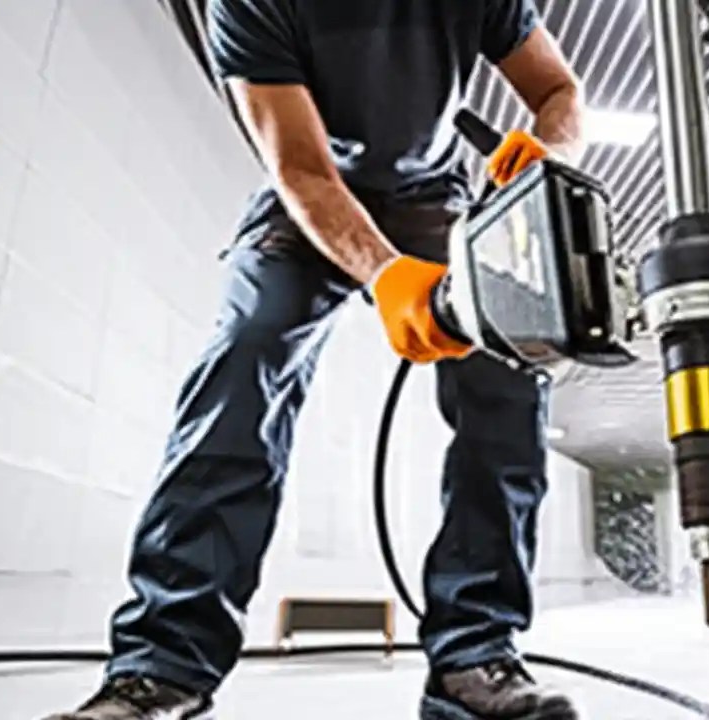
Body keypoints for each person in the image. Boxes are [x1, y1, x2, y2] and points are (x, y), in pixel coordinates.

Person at [47, 0, 587, 718]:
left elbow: (560, 92)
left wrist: (549, 151)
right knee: (248, 351)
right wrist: (386, 273)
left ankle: (474, 654)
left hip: (433, 198)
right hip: (309, 199)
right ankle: (163, 665)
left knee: (509, 368)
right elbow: (302, 170)